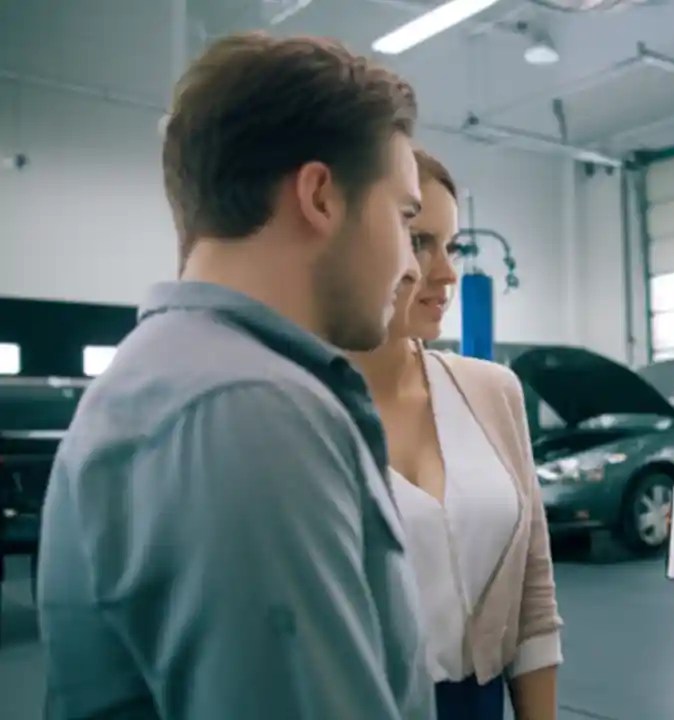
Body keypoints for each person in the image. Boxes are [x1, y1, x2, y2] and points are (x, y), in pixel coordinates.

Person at [37, 32, 435, 719]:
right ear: (320, 196)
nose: (411, 266)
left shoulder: (180, 377)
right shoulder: (249, 411)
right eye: (405, 218)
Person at [348, 148, 563, 720]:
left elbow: (533, 595)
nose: (445, 272)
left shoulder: (493, 392)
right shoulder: (297, 411)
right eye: (419, 241)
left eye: (453, 246)